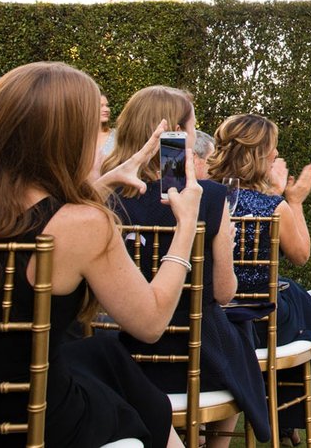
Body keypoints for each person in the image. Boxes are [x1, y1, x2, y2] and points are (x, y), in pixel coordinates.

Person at [0, 61, 201, 448]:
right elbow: (150, 323)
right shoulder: (85, 224)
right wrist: (187, 226)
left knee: (104, 356)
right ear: (69, 138)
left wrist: (105, 181)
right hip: (36, 418)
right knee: (120, 374)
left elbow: (28, 215)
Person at [104, 86, 270, 447]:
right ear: (176, 133)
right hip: (197, 361)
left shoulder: (102, 196)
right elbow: (224, 292)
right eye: (193, 127)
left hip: (118, 356)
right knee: (237, 328)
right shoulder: (208, 197)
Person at [207, 113, 311, 442]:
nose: (277, 154)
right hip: (259, 320)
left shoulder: (202, 197)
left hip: (210, 315)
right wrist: (293, 201)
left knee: (288, 290)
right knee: (296, 305)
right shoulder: (273, 207)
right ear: (258, 155)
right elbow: (301, 255)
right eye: (273, 149)